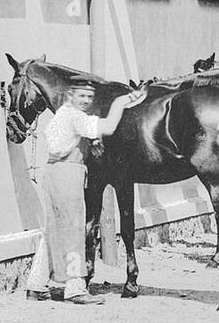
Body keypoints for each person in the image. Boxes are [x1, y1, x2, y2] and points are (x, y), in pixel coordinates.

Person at [26, 75, 147, 304]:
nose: (86, 101)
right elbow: (109, 127)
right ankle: (75, 288)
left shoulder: (61, 115)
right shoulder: (74, 117)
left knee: (52, 230)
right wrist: (122, 102)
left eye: (89, 97)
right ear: (70, 96)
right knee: (73, 229)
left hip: (51, 172)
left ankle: (35, 285)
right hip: (68, 173)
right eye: (81, 96)